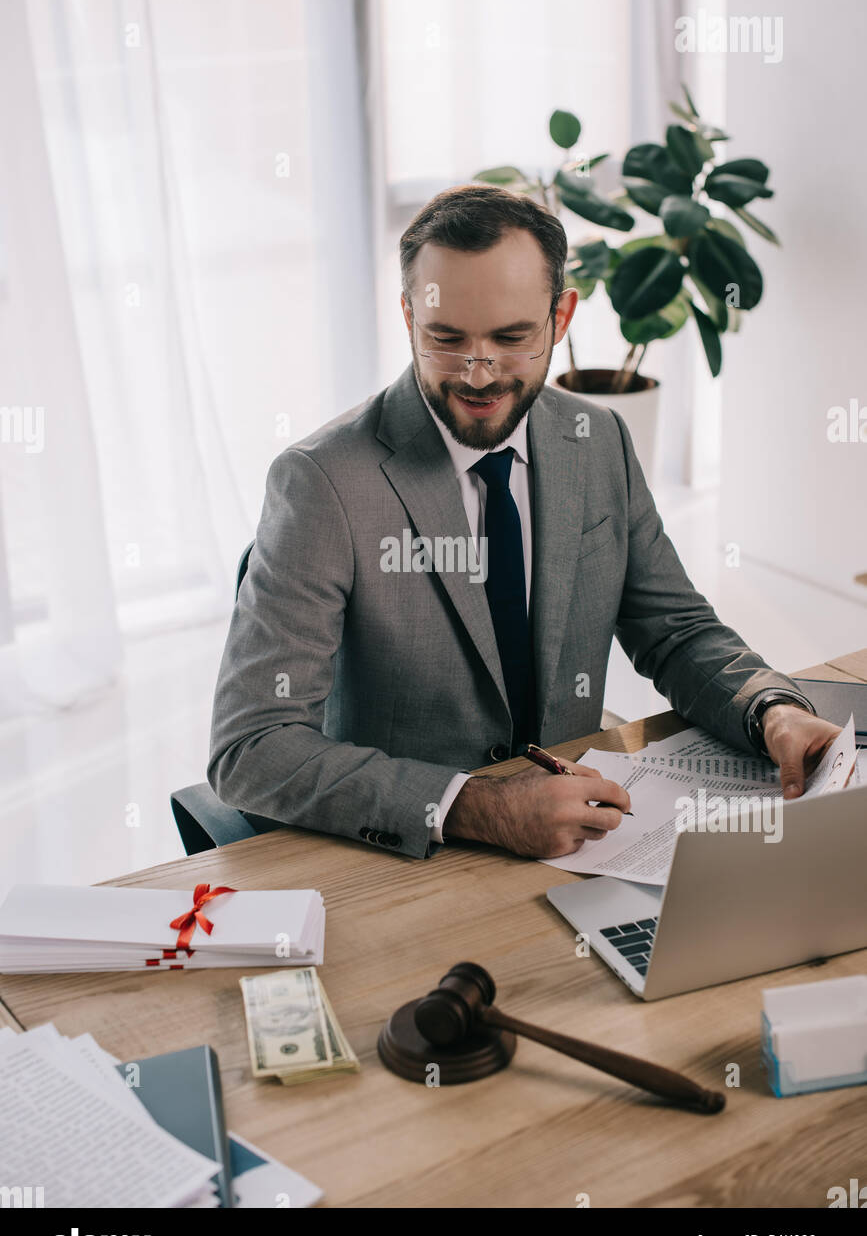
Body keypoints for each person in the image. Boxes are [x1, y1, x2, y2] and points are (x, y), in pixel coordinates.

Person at [208, 185, 839, 860]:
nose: (478, 374)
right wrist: (475, 806)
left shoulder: (596, 439)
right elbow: (252, 746)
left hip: (578, 832)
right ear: (407, 316)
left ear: (560, 316)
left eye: (512, 338)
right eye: (446, 338)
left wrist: (771, 709)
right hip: (412, 852)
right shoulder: (322, 481)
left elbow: (675, 630)